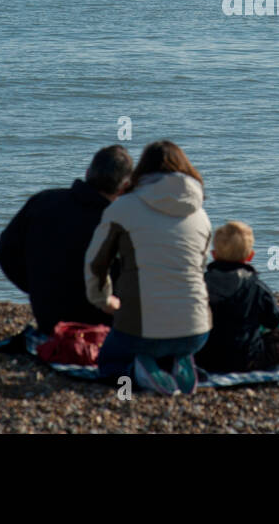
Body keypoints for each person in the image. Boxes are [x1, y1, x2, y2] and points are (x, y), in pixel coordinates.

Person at [86, 140, 212, 394]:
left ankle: (141, 372)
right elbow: (200, 268)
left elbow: (96, 263)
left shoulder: (122, 208)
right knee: (171, 340)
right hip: (197, 330)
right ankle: (180, 360)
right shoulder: (201, 215)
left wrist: (102, 299)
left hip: (141, 331)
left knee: (109, 364)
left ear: (141, 171)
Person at [0, 145, 133, 334]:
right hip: (99, 325)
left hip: (49, 320)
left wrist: (37, 287)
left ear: (87, 173)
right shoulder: (120, 225)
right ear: (125, 188)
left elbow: (5, 251)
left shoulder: (43, 201)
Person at [197, 220, 279, 373]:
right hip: (246, 359)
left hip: (204, 358)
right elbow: (274, 319)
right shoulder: (255, 286)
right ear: (250, 256)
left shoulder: (199, 283)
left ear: (213, 255)